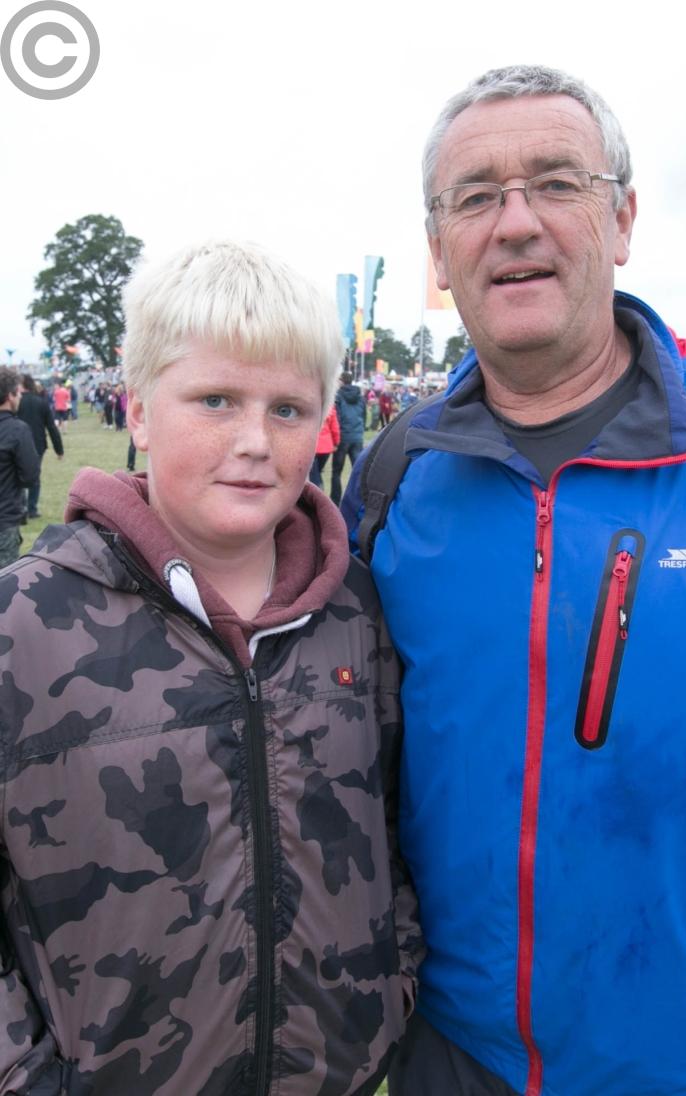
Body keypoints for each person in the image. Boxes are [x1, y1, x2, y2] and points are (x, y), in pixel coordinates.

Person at [342, 65, 686, 1096]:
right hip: (450, 1049)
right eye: (475, 197)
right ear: (439, 249)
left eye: (557, 183)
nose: (515, 221)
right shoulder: (393, 480)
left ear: (622, 220)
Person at [0, 240, 422, 1095]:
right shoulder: (22, 624)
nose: (254, 442)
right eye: (216, 400)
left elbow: (396, 822)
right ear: (139, 413)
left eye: (288, 409)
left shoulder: (359, 613)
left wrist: (392, 983)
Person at [0, 368, 39, 568]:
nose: (20, 397)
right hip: (5, 518)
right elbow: (30, 476)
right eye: (18, 393)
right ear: (10, 396)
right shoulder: (17, 430)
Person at [15, 373, 64, 518]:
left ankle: (21, 508)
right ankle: (32, 509)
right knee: (34, 477)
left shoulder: (14, 402)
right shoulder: (41, 402)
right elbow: (51, 427)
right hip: (37, 444)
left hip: (17, 443)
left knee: (16, 476)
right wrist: (59, 449)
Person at [330, 370, 367, 506]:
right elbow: (363, 415)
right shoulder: (360, 397)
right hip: (357, 436)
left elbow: (337, 418)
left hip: (343, 437)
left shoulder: (338, 396)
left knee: (337, 472)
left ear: (341, 381)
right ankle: (360, 499)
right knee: (358, 471)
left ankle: (335, 501)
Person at [309, 402, 341, 488]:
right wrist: (336, 443)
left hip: (313, 446)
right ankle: (319, 488)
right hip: (326, 447)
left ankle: (318, 490)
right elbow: (335, 428)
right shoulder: (330, 407)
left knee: (314, 475)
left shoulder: (309, 404)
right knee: (317, 472)